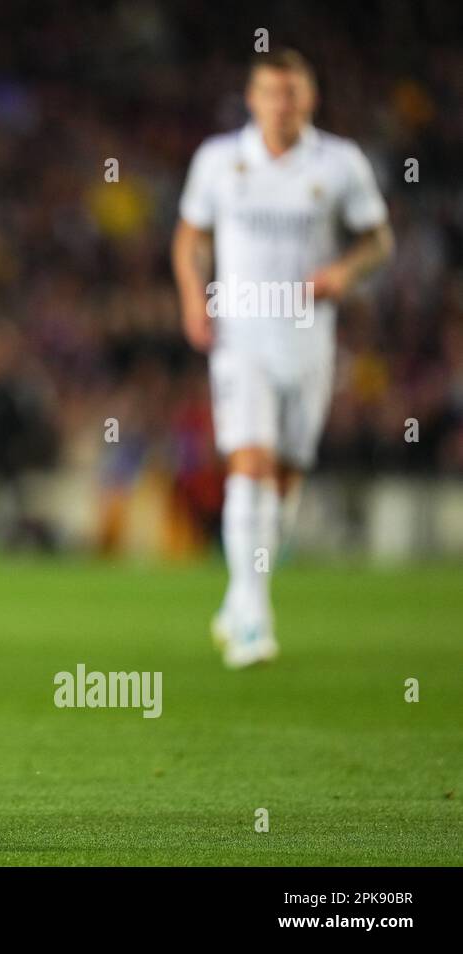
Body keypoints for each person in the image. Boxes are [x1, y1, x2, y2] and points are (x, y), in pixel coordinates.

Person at [171, 48, 393, 669]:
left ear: (309, 99)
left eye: (293, 93)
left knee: (287, 478)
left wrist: (346, 272)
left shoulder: (340, 163)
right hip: (241, 335)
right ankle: (252, 618)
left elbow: (378, 239)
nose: (283, 104)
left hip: (308, 339)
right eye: (272, 93)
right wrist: (193, 297)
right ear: (253, 98)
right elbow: (191, 236)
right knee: (251, 461)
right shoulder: (219, 161)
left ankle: (240, 599)